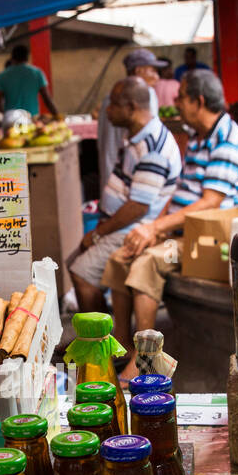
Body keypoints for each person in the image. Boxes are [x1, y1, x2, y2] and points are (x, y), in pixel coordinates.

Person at [102, 70, 238, 377]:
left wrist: (156, 229)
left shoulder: (228, 140)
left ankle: (148, 361)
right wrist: (152, 228)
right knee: (122, 256)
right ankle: (124, 345)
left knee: (148, 262)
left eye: (181, 97)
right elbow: (182, 195)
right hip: (185, 231)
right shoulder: (202, 137)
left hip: (213, 239)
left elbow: (210, 203)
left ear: (198, 101)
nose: (174, 102)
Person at [68, 76, 181, 315]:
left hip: (133, 228)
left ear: (131, 108)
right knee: (75, 263)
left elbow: (138, 207)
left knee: (81, 273)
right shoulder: (137, 136)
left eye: (113, 104)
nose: (107, 110)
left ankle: (99, 344)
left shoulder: (152, 148)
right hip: (122, 225)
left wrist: (98, 234)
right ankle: (101, 337)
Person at [97, 49, 163, 188]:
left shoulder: (110, 97)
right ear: (139, 71)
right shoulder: (147, 96)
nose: (157, 77)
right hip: (131, 177)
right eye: (153, 71)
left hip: (112, 173)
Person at [0, 44, 58, 117]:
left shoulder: (2, 76)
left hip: (11, 120)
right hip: (32, 119)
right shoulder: (37, 74)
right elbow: (47, 99)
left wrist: (2, 120)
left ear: (12, 58)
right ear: (27, 58)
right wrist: (57, 116)